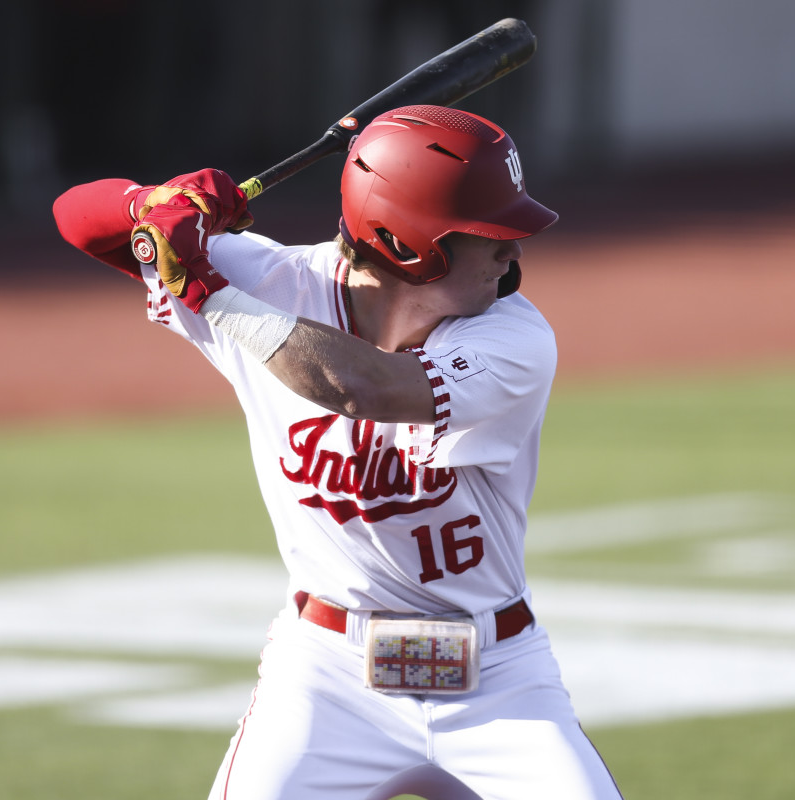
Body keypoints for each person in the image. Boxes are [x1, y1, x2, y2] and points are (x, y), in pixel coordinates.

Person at [53, 105, 623, 800]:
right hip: (325, 678)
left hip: (500, 683)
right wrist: (153, 206)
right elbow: (78, 219)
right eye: (488, 234)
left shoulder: (515, 339)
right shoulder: (272, 283)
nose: (514, 253)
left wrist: (206, 289)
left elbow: (360, 385)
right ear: (407, 243)